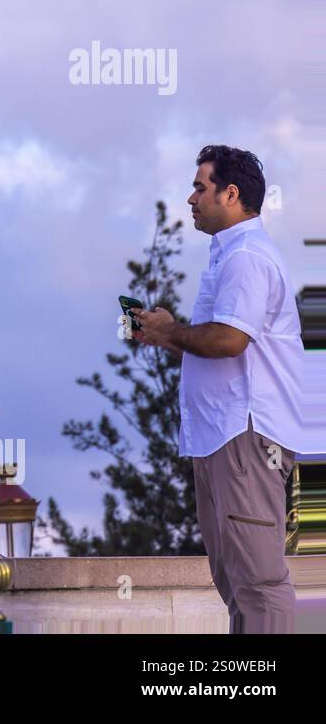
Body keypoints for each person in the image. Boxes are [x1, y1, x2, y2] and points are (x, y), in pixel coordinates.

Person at [134, 145, 304, 633]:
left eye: (199, 186)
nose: (190, 198)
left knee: (259, 583)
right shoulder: (230, 254)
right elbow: (220, 346)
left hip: (245, 436)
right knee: (237, 583)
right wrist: (163, 335)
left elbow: (230, 340)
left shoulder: (247, 256)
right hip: (223, 437)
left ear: (231, 194)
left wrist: (169, 332)